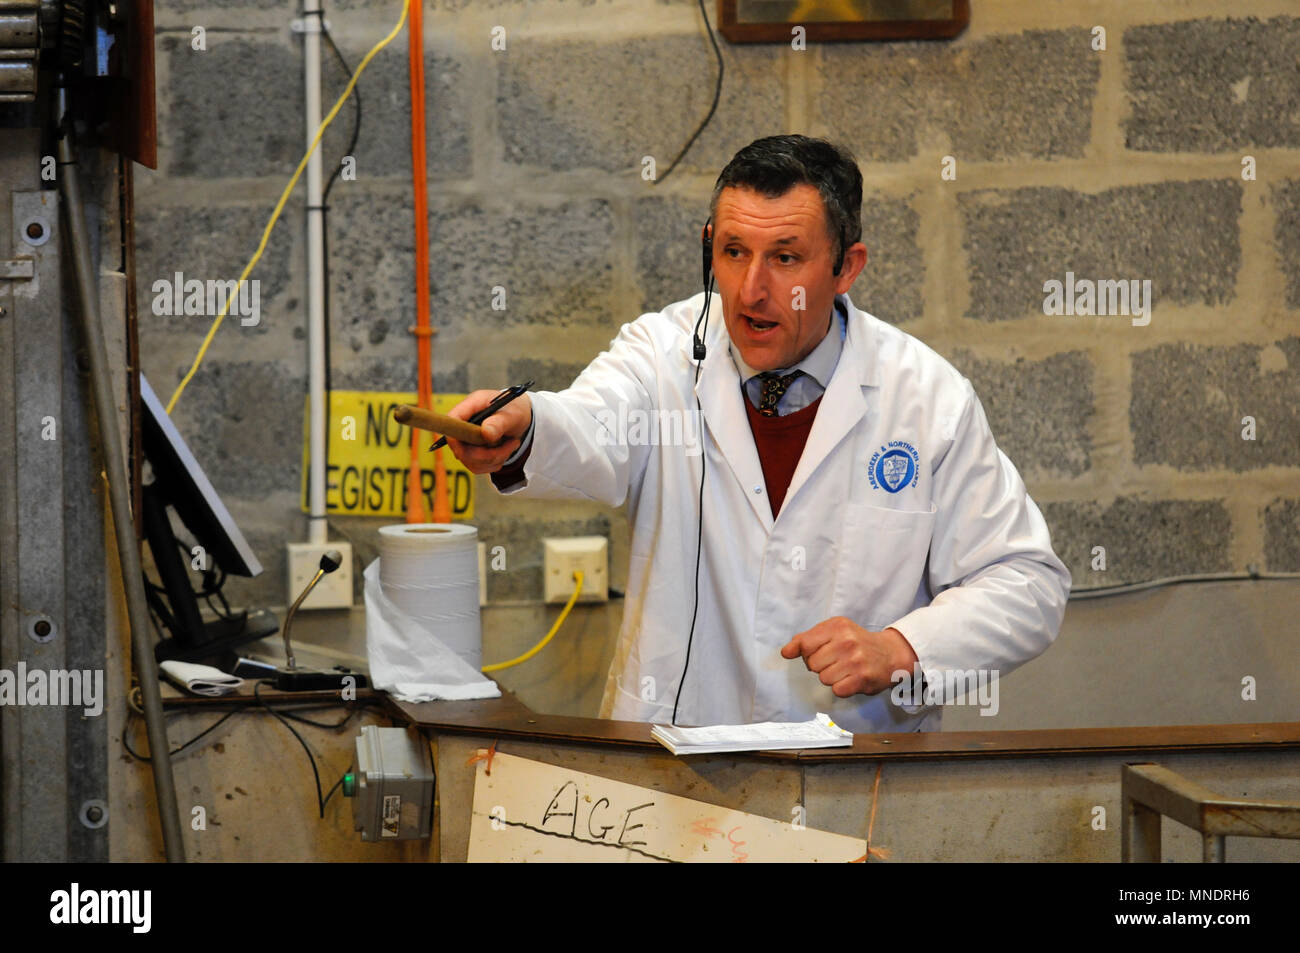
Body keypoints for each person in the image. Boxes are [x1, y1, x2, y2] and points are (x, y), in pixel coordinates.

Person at [445, 135, 1070, 732]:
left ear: (846, 267)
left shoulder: (926, 397)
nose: (750, 290)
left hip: (850, 770)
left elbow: (1027, 583)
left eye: (786, 258)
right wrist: (528, 427)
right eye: (734, 252)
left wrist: (903, 647)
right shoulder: (662, 351)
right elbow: (595, 423)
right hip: (674, 760)